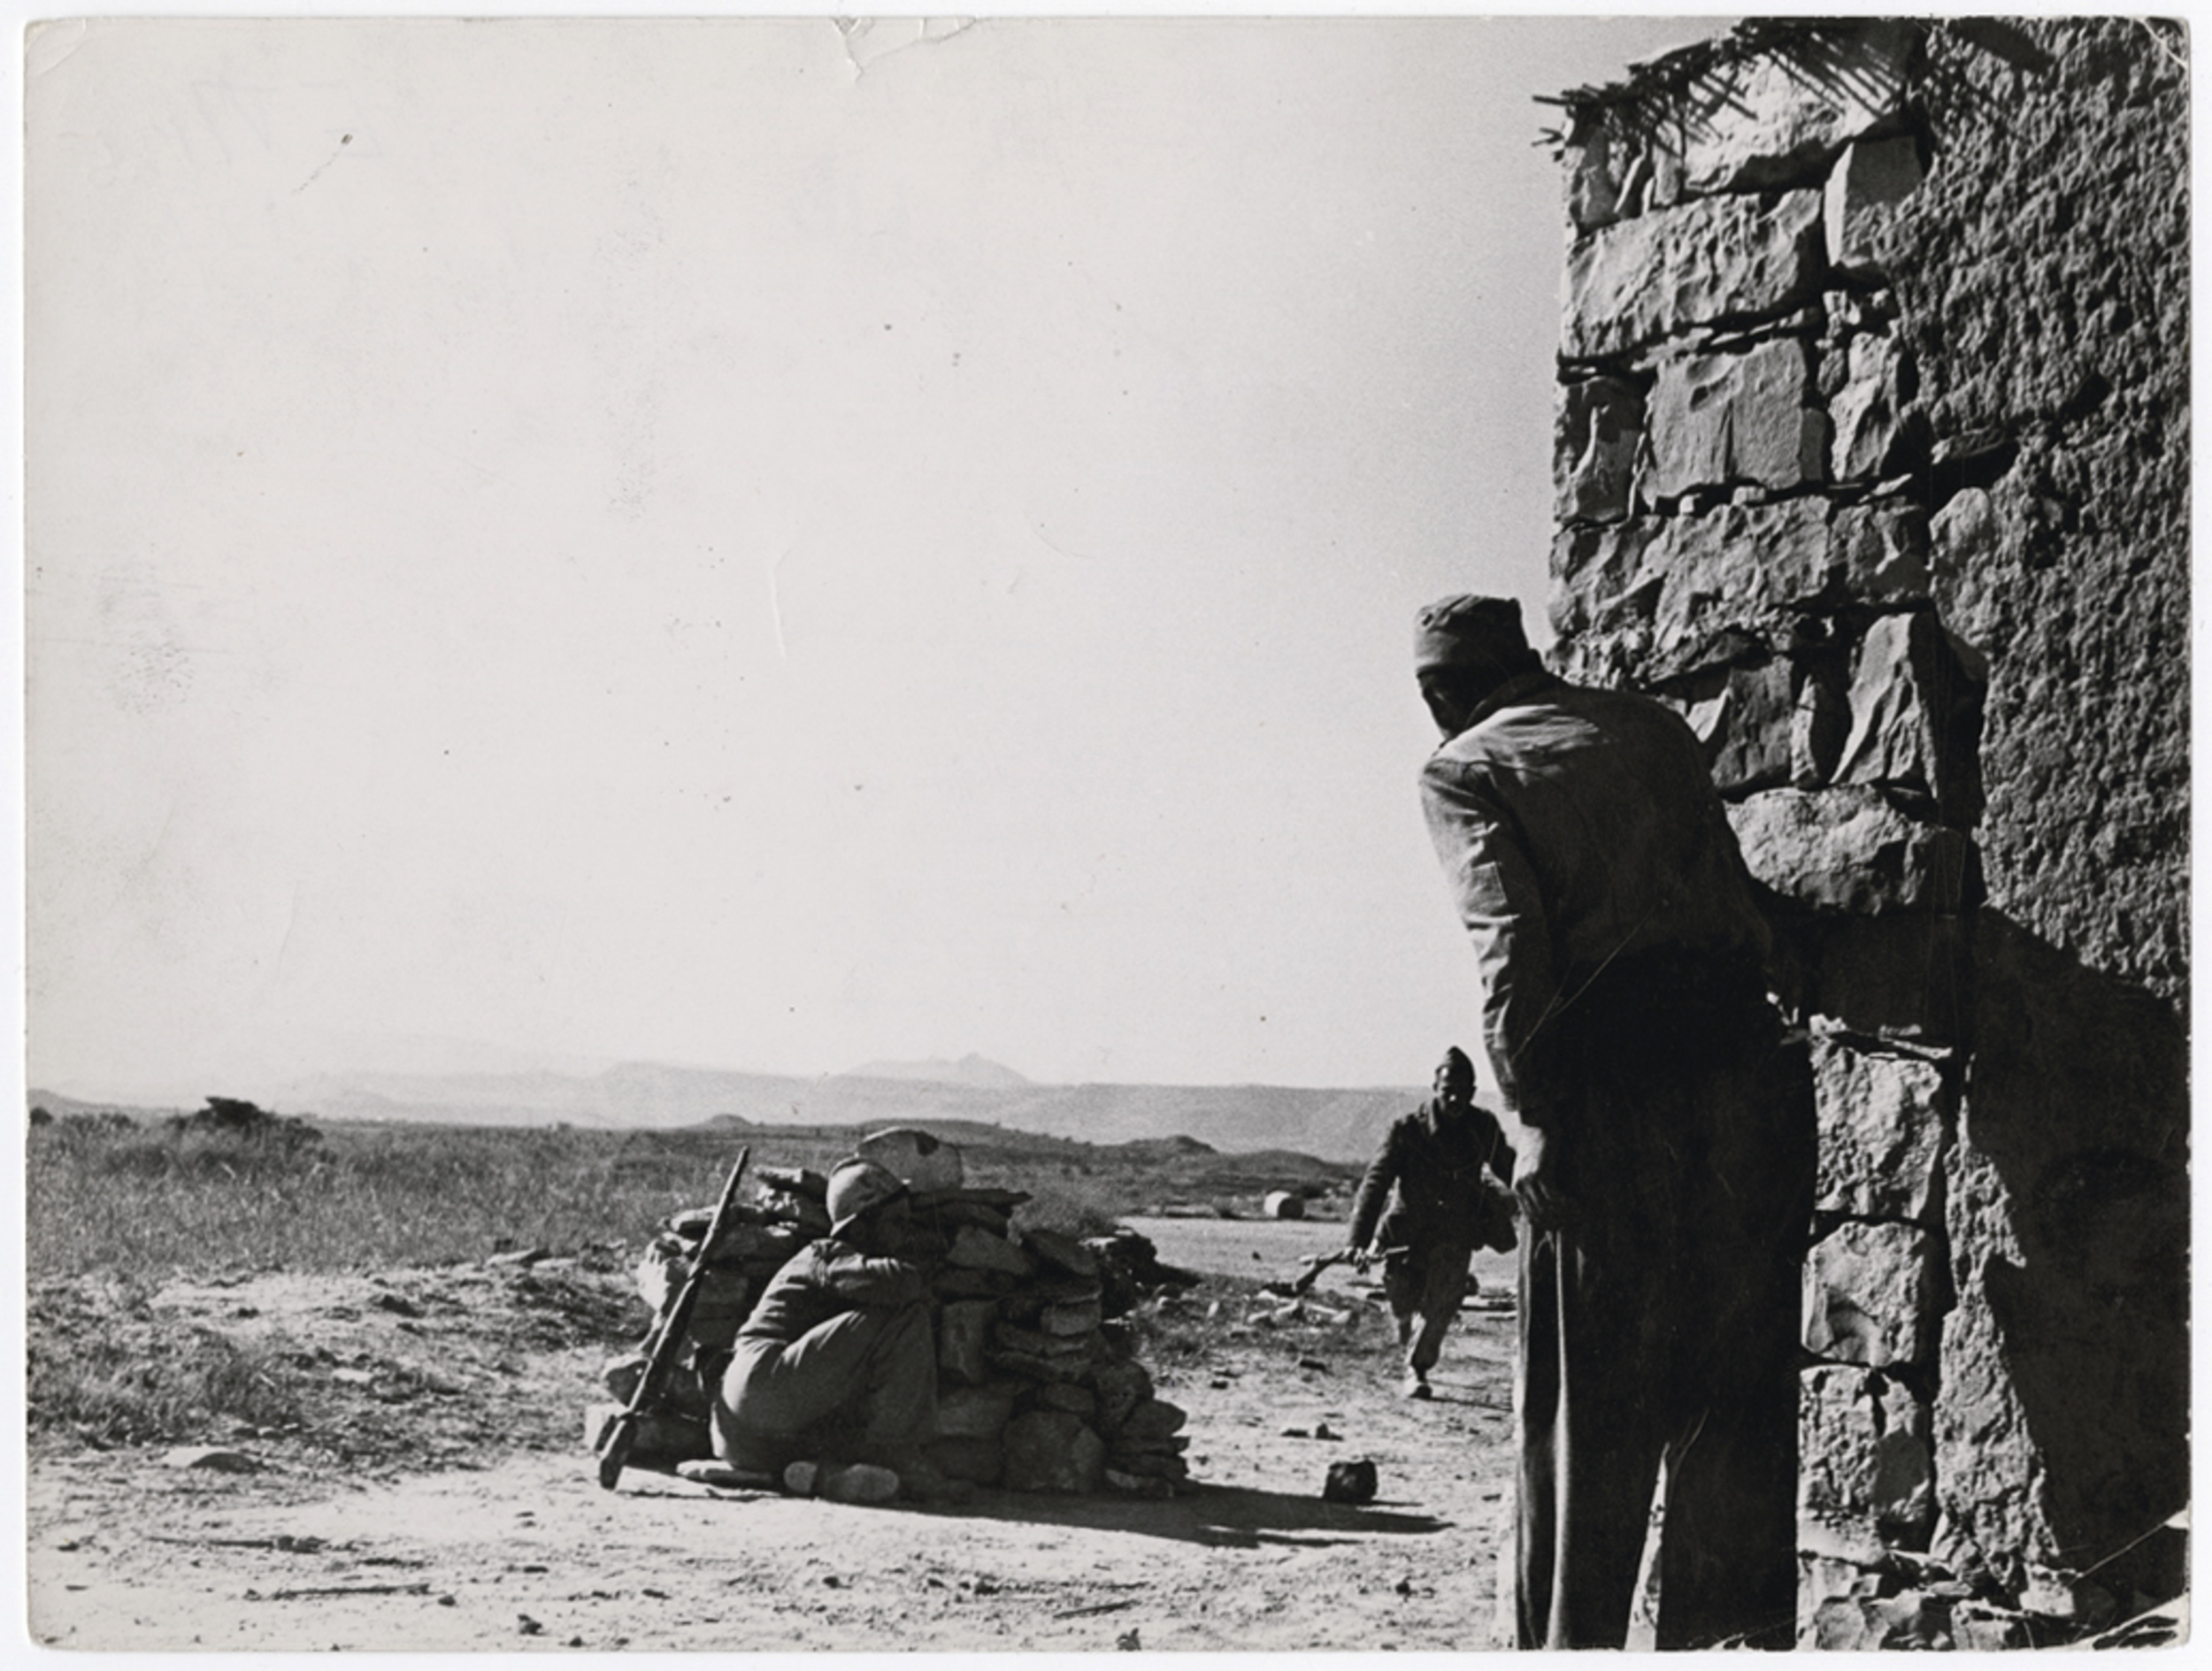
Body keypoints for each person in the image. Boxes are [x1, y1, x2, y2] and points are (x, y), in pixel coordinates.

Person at [1411, 594, 1814, 1650]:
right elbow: (1733, 894)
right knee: (1732, 1409)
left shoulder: (1463, 767)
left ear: (1437, 693)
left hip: (1610, 1094)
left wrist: (1533, 1113)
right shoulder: (1648, 725)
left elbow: (1509, 943)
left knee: (1584, 1416)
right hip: (1744, 1081)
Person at [711, 1157, 957, 1505]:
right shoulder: (827, 1256)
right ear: (860, 1225)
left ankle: (817, 1476)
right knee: (904, 1316)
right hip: (766, 1385)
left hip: (742, 1432)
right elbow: (900, 1283)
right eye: (896, 1222)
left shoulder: (839, 1264)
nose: (905, 1233)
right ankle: (900, 1459)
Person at [1343, 1046, 1517, 1399]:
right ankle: (1409, 1351)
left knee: (1442, 1305)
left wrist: (1541, 1190)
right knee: (1403, 1305)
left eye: (1464, 1091)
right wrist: (1358, 1240)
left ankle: (1417, 1369)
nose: (1455, 1098)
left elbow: (1510, 1168)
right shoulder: (1406, 1130)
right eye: (1447, 1089)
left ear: (1472, 1091)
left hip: (1456, 1231)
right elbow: (1376, 1183)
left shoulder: (1483, 1127)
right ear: (1434, 1088)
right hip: (1406, 1234)